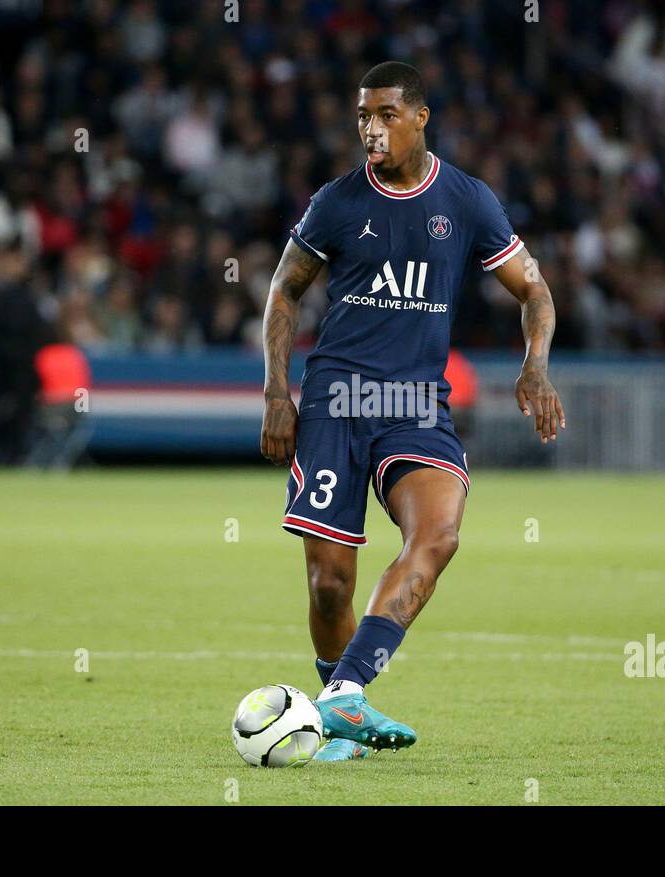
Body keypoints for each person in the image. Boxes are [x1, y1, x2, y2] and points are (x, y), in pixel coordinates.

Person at [259, 62, 564, 761]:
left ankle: (344, 693)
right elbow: (285, 291)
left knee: (440, 534)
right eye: (363, 115)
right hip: (336, 396)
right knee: (330, 579)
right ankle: (337, 709)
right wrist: (278, 391)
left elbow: (535, 289)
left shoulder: (467, 200)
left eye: (387, 114)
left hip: (415, 402)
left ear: (421, 117)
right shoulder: (336, 202)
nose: (371, 128)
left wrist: (536, 363)